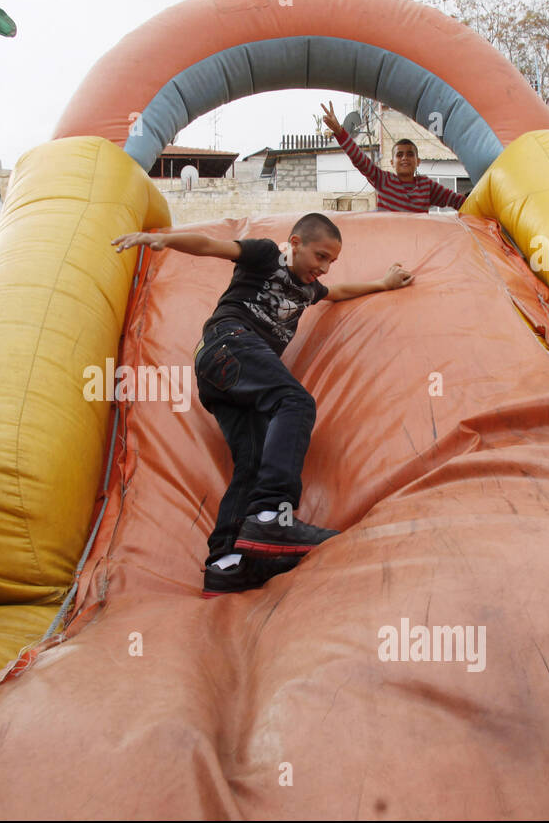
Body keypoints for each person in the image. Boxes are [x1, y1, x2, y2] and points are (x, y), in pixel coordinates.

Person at [113, 214, 413, 595]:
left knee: (252, 461)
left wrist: (382, 284)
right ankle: (272, 513)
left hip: (223, 379)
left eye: (330, 263)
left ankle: (225, 562)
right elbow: (213, 247)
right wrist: (164, 242)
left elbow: (336, 293)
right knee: (295, 403)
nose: (322, 268)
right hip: (228, 343)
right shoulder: (268, 255)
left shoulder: (309, 289)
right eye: (320, 256)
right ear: (295, 243)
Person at [320, 101, 466, 213]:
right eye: (399, 155)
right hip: (388, 245)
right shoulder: (384, 180)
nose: (404, 158)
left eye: (410, 154)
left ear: (418, 162)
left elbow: (455, 200)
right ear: (392, 162)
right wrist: (340, 132)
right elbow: (360, 161)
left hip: (416, 248)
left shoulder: (426, 186)